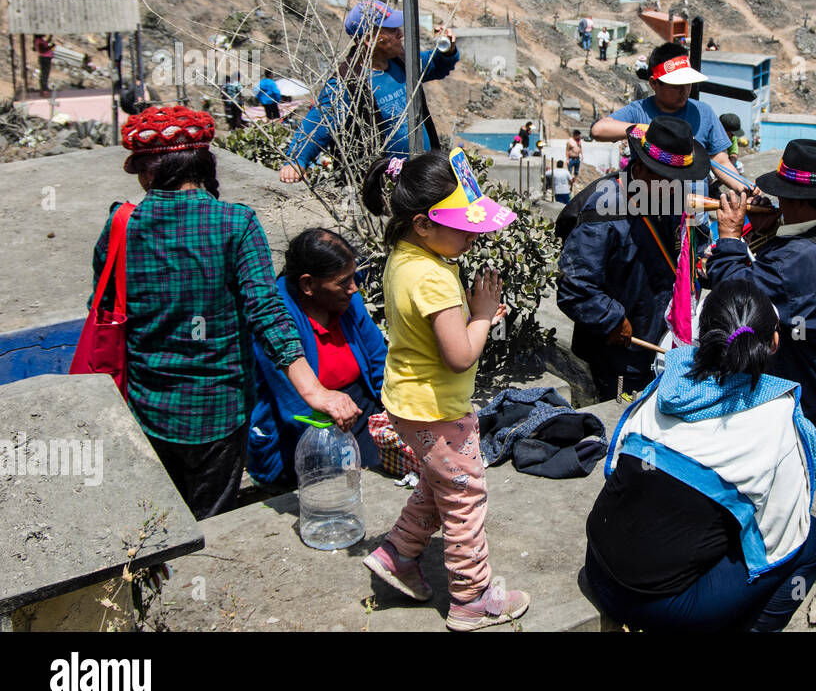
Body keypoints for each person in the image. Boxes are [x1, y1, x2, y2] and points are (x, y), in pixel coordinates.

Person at [91, 107, 359, 519]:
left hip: (148, 407)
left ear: (149, 173)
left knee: (160, 520)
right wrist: (314, 391)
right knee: (211, 520)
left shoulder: (122, 224)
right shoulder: (236, 224)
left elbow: (103, 309)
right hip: (220, 410)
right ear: (204, 163)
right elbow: (267, 314)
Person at [583, 280, 816, 631]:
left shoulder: (668, 386)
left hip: (597, 565)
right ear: (774, 342)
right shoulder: (775, 420)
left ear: (704, 335)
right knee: (813, 543)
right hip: (657, 606)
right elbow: (782, 528)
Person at [359, 146, 529, 630]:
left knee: (443, 484)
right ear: (422, 224)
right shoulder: (432, 277)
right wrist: (480, 316)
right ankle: (473, 598)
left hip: (409, 402)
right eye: (465, 227)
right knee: (466, 497)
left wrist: (473, 318)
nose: (475, 236)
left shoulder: (406, 257)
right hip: (438, 408)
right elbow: (459, 356)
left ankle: (397, 554)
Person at [704, 139, 816, 452]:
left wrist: (731, 239)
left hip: (789, 395)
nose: (778, 202)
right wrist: (768, 232)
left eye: (783, 196)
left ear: (799, 201)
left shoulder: (795, 261)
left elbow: (735, 293)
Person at [558, 118, 711, 400]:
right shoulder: (605, 211)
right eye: (669, 179)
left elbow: (688, 254)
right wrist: (612, 319)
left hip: (665, 344)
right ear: (640, 169)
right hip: (620, 356)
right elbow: (574, 287)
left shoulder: (671, 200)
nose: (679, 187)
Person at [248, 229, 388, 486]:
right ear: (308, 285)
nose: (354, 289)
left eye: (353, 278)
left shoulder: (346, 302)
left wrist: (397, 412)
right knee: (347, 486)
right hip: (307, 424)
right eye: (343, 281)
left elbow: (379, 360)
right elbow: (293, 406)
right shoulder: (277, 322)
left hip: (357, 408)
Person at [280, 1, 458, 183]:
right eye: (391, 30)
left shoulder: (401, 61)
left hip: (425, 172)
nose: (401, 34)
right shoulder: (348, 82)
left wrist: (447, 50)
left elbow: (432, 65)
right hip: (388, 184)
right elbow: (320, 122)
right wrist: (297, 160)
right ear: (369, 39)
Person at [592, 42, 746, 194]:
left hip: (692, 208)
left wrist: (743, 188)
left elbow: (720, 161)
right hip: (646, 208)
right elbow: (599, 130)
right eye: (676, 85)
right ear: (654, 83)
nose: (684, 91)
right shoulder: (639, 111)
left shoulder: (703, 113)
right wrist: (648, 130)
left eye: (688, 84)